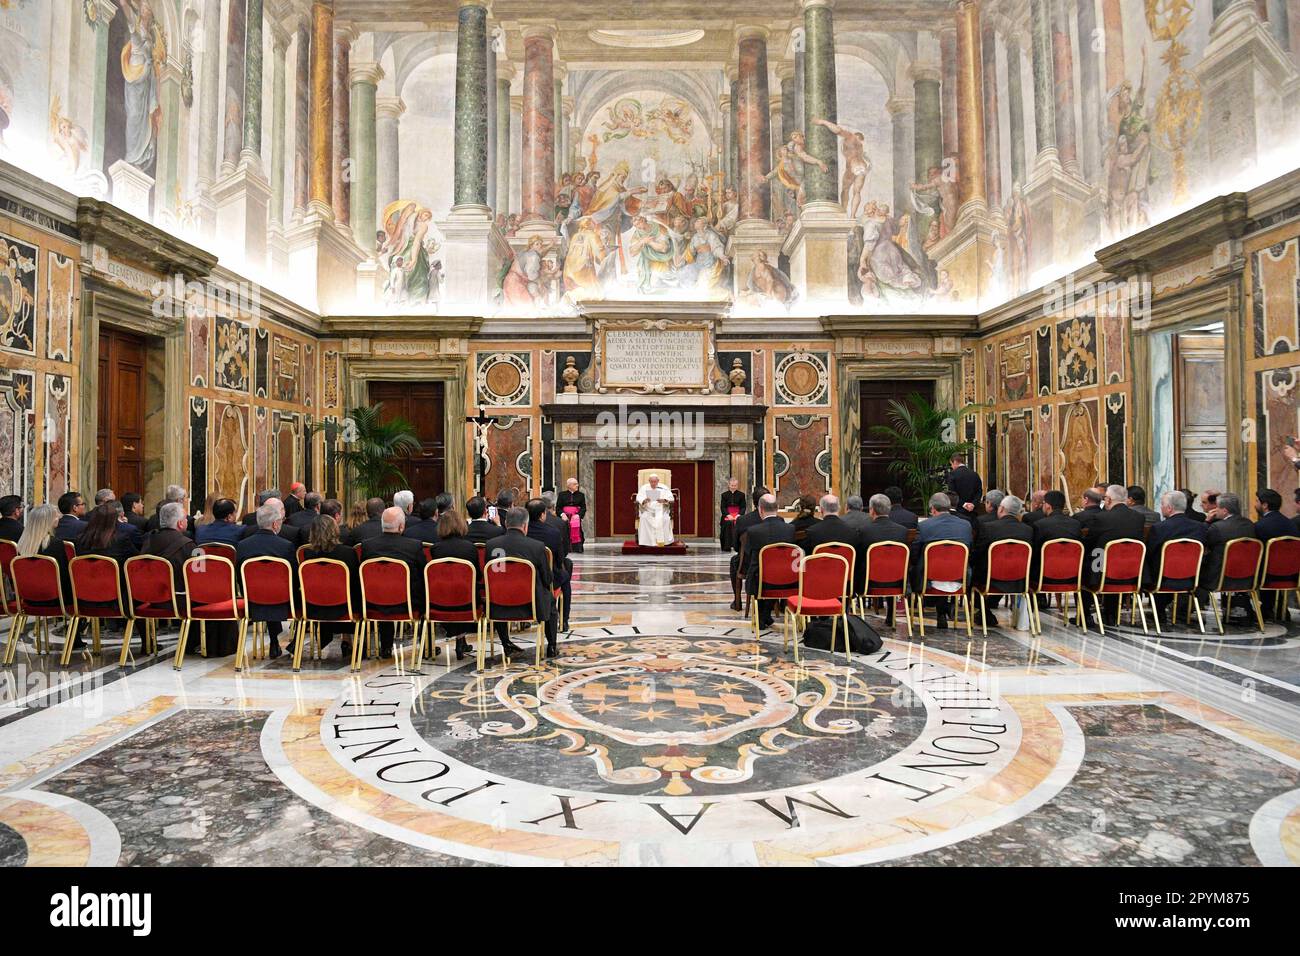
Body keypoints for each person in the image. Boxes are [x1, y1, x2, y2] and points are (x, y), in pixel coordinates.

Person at [488, 506, 557, 658]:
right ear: (525, 526)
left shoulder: (492, 545)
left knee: (498, 591)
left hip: (498, 606)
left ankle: (506, 642)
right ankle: (551, 645)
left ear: (506, 523)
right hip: (530, 606)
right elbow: (547, 579)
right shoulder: (537, 546)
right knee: (551, 600)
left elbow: (491, 577)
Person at [358, 507, 426, 657]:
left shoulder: (368, 546)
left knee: (383, 590)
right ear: (401, 526)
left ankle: (386, 646)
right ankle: (426, 646)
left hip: (373, 603)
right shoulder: (413, 546)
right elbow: (424, 573)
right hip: (407, 604)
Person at [236, 502, 298, 659]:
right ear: (275, 524)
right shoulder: (286, 546)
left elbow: (239, 576)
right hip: (283, 600)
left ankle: (274, 641)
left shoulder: (243, 546)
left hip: (253, 599)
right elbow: (295, 578)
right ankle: (292, 642)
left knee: (267, 590)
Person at [1143, 490, 1210, 621]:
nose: (1160, 507)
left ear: (1169, 508)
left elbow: (1150, 553)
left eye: (1162, 504)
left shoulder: (1159, 528)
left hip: (1163, 579)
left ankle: (1159, 610)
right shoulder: (1200, 527)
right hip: (1192, 578)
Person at [911, 493, 973, 629]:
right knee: (944, 566)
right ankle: (943, 611)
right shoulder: (965, 525)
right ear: (949, 507)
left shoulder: (925, 526)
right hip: (959, 578)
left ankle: (923, 609)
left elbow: (914, 555)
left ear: (933, 509)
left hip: (929, 580)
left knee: (918, 568)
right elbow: (970, 551)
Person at [971, 495, 1034, 627]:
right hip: (1019, 581)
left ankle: (982, 610)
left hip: (990, 580)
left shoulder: (988, 527)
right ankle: (985, 610)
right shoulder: (1027, 530)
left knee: (973, 570)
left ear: (1001, 509)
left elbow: (977, 553)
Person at [300, 514, 360, 653]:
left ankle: (343, 639)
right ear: (335, 530)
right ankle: (349, 639)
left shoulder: (307, 554)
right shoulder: (348, 553)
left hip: (313, 606)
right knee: (353, 593)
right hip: (345, 607)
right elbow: (355, 582)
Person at [428, 510, 480, 660]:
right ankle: (460, 642)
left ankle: (460, 641)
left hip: (440, 600)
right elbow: (477, 574)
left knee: (452, 592)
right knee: (462, 591)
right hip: (467, 600)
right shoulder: (470, 548)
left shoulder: (435, 549)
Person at [740, 494, 797, 632]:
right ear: (777, 508)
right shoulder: (790, 529)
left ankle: (762, 616)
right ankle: (765, 616)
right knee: (771, 572)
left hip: (761, 582)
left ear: (760, 510)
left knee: (756, 572)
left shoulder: (753, 531)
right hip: (787, 579)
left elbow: (748, 555)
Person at [1199, 493, 1256, 618]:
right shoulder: (1250, 525)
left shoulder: (1217, 527)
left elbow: (1202, 543)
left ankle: (1187, 612)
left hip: (1221, 578)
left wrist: (1207, 521)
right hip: (1248, 577)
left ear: (1224, 511)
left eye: (1217, 508)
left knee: (1198, 574)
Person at [860, 494, 909, 625]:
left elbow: (860, 556)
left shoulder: (864, 531)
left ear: (872, 510)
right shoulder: (902, 531)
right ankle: (891, 613)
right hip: (897, 582)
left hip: (869, 582)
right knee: (891, 566)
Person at [15, 504, 73, 616]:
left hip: (28, 598)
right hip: (55, 599)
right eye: (56, 516)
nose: (59, 518)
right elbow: (64, 576)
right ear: (48, 521)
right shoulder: (55, 544)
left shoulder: (22, 545)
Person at [527, 497, 571, 632]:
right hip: (549, 578)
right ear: (542, 514)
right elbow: (560, 558)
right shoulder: (554, 531)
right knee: (566, 574)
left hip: (525, 577)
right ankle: (564, 620)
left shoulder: (523, 531)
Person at [730, 486, 770, 612]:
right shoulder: (778, 521)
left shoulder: (742, 520)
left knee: (734, 561)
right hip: (771, 566)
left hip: (748, 565)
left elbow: (736, 546)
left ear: (753, 502)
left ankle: (737, 602)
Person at [140, 501, 194, 590]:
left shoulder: (147, 539)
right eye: (185, 518)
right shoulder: (189, 545)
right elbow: (199, 574)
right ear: (180, 523)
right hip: (178, 599)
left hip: (150, 595)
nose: (187, 520)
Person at [636, 474, 674, 547]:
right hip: (648, 510)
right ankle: (646, 542)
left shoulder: (664, 487)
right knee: (644, 518)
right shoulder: (644, 488)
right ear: (649, 481)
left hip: (661, 510)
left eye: (655, 482)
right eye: (651, 482)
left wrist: (664, 500)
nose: (653, 483)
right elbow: (639, 497)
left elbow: (671, 498)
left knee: (665, 519)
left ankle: (665, 542)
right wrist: (644, 500)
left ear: (658, 481)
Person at [946, 453, 983, 521]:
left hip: (959, 513)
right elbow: (979, 492)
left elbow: (952, 494)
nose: (951, 466)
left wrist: (964, 504)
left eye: (951, 464)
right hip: (973, 512)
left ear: (955, 462)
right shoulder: (974, 474)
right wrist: (973, 504)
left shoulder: (952, 474)